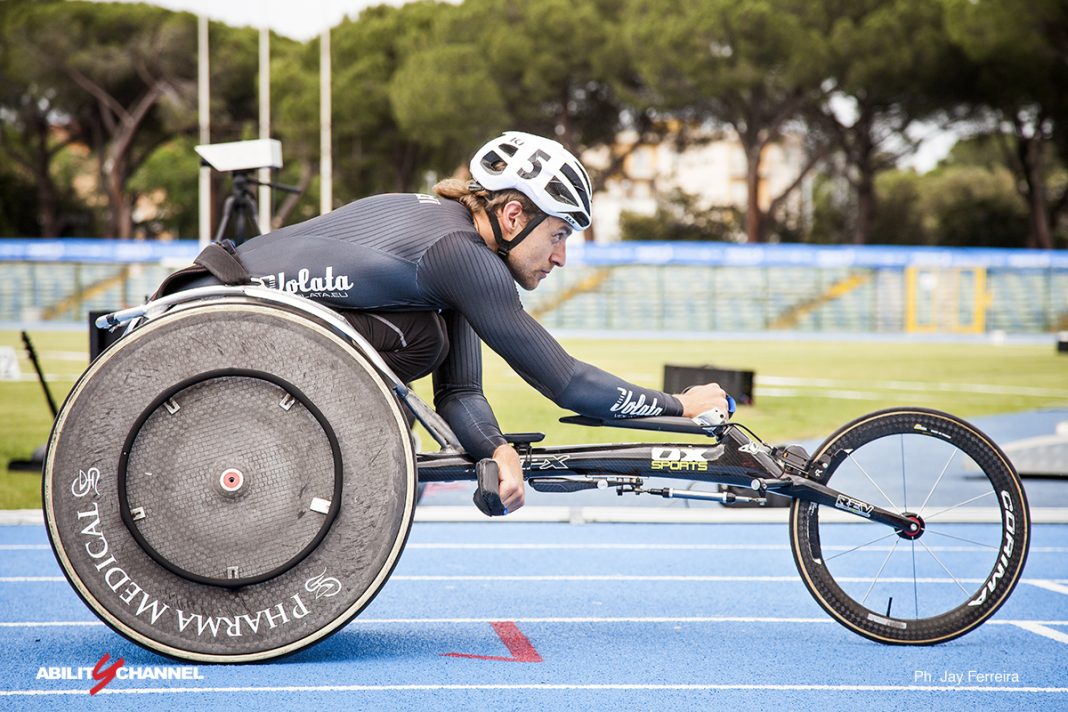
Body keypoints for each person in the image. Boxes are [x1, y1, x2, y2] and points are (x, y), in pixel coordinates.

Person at [159, 131, 729, 513]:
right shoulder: (461, 255)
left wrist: (496, 448)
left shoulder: (452, 242)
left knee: (425, 337)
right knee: (422, 339)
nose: (560, 258)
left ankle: (328, 457)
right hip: (207, 320)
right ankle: (326, 459)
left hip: (212, 308)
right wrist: (680, 406)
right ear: (513, 215)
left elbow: (459, 392)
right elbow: (568, 383)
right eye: (558, 236)